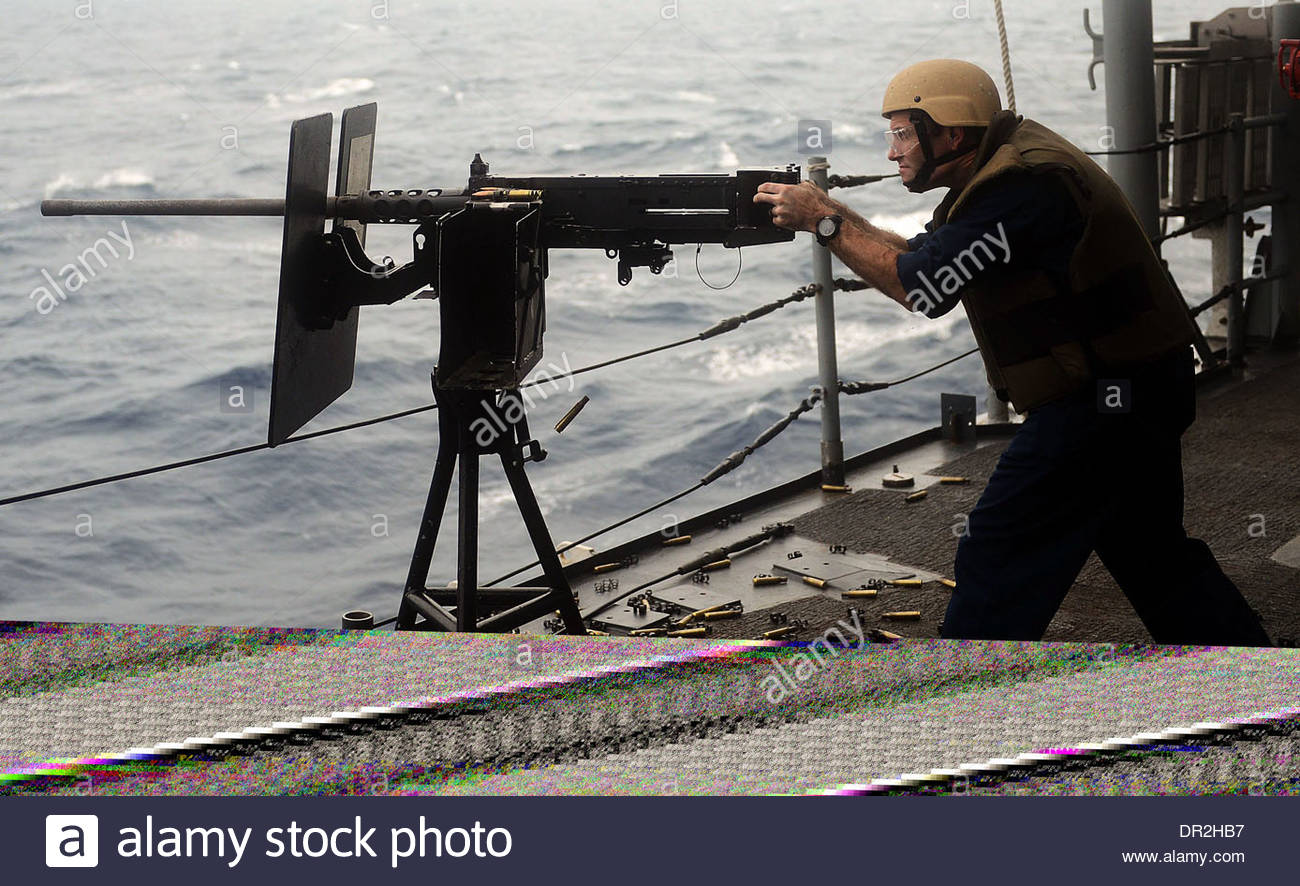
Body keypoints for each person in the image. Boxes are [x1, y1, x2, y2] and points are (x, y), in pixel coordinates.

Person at [752, 59, 1270, 646]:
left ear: (949, 133)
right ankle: (1257, 677)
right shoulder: (1003, 173)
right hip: (1139, 385)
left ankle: (962, 693)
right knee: (1153, 555)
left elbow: (922, 288)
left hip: (1103, 402)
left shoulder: (1022, 187)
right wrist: (831, 210)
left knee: (999, 545)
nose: (892, 152)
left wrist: (822, 224)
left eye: (902, 133)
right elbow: (918, 256)